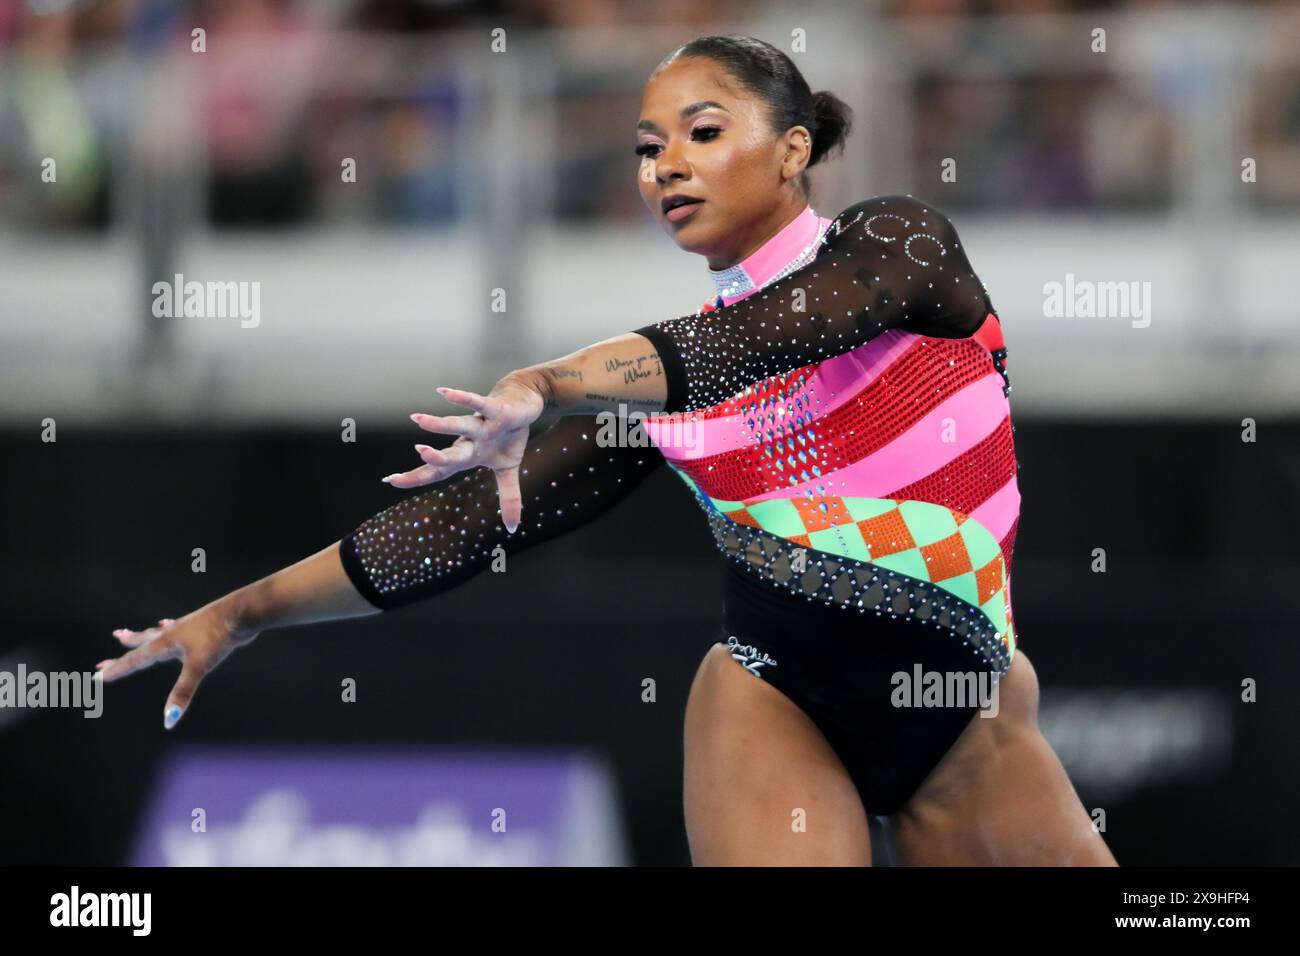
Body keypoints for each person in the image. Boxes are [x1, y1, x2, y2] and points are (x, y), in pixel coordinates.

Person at [99, 35, 1116, 866]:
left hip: (963, 719)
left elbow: (762, 336)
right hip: (773, 703)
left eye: (702, 132)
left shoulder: (902, 246)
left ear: (793, 148)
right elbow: (463, 525)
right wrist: (242, 611)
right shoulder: (669, 391)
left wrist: (545, 380)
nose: (664, 162)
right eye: (644, 146)